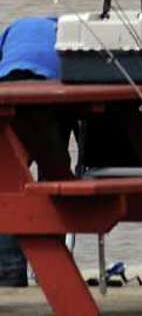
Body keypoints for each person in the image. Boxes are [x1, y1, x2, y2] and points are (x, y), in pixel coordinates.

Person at [0, 17, 66, 287]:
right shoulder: (67, 32)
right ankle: (52, 266)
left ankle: (8, 271)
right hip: (50, 88)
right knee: (57, 173)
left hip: (8, 83)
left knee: (9, 179)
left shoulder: (12, 29)